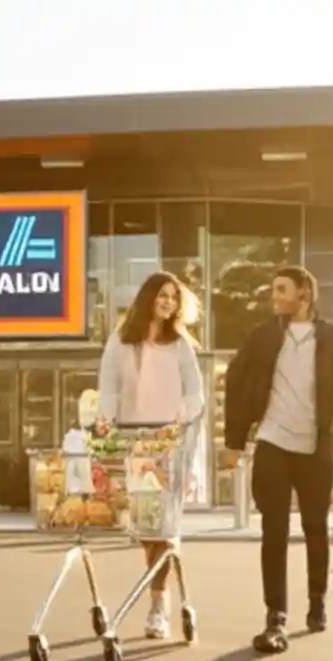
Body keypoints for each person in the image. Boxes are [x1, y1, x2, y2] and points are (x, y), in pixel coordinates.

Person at [224, 266, 333, 653]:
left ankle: (317, 602)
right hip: (273, 441)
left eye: (282, 289)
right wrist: (234, 438)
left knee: (316, 527)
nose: (275, 295)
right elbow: (236, 379)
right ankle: (275, 617)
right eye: (273, 289)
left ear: (304, 292)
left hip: (315, 447)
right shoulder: (265, 337)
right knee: (274, 531)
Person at [98, 270, 205, 639]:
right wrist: (105, 422)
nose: (168, 302)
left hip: (171, 445)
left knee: (163, 529)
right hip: (136, 444)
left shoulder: (180, 344)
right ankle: (163, 598)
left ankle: (159, 608)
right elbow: (108, 387)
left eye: (174, 297)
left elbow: (195, 394)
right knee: (149, 532)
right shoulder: (121, 340)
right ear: (148, 298)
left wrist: (176, 422)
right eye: (162, 295)